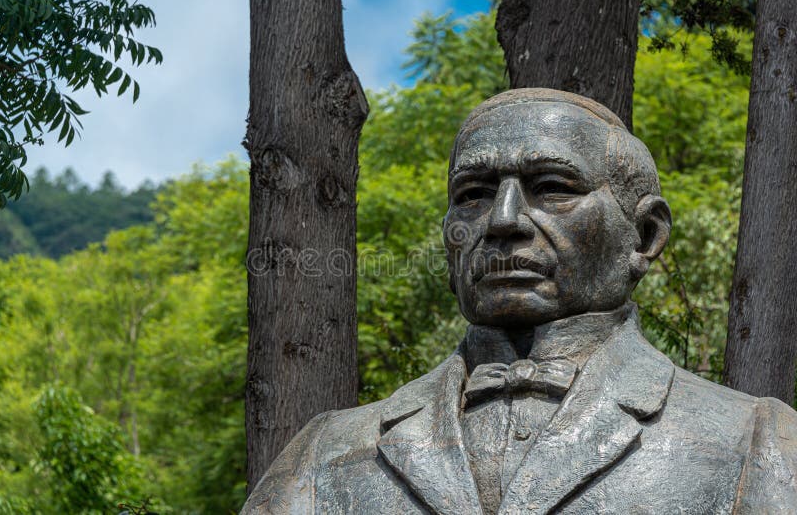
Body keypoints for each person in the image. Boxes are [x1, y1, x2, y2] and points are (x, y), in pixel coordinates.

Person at [241, 88, 797, 514]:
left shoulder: (758, 442)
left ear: (645, 236)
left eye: (553, 187)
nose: (502, 220)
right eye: (473, 194)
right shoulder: (321, 455)